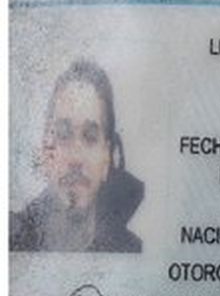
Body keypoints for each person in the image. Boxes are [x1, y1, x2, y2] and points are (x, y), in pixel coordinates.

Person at [10, 59, 143, 252]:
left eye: (90, 137)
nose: (76, 158)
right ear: (46, 150)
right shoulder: (11, 241)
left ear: (107, 158)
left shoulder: (130, 253)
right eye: (63, 135)